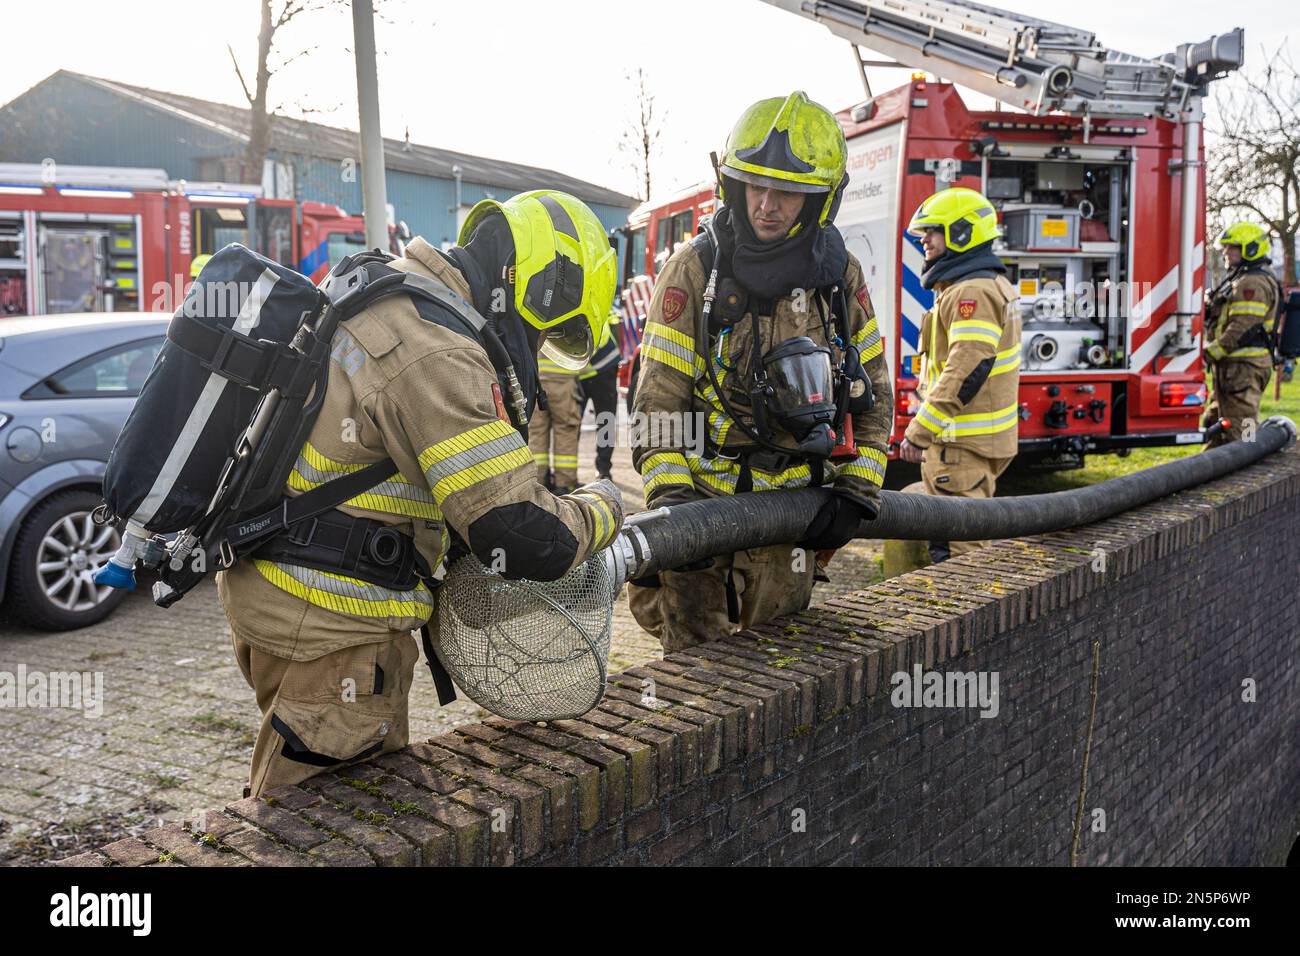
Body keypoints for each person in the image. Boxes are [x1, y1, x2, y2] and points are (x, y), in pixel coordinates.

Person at [216, 189, 623, 796]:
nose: (537, 352)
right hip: (336, 629)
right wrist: (606, 509)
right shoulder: (438, 347)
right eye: (546, 333)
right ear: (541, 287)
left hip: (285, 592)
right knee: (319, 830)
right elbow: (517, 529)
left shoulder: (394, 289)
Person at [628, 91, 893, 652]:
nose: (767, 205)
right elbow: (658, 403)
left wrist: (856, 490)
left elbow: (875, 396)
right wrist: (674, 508)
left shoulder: (837, 278)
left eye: (788, 192)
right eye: (756, 186)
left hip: (789, 521)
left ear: (819, 200)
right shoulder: (693, 270)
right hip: (702, 512)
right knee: (699, 685)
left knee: (780, 668)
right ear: (734, 185)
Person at [897, 187, 1021, 563]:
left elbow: (965, 369)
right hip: (963, 447)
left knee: (959, 557)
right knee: (913, 515)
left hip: (960, 449)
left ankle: (957, 618)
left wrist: (919, 431)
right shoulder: (974, 286)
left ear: (962, 234)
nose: (923, 239)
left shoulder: (973, 293)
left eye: (932, 232)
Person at [1202, 221, 1281, 447]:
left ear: (1251, 248)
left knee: (1243, 428)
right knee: (1216, 423)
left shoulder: (1253, 283)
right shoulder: (1240, 278)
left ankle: (1248, 470)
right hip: (1232, 366)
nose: (1226, 252)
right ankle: (1209, 474)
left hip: (1244, 367)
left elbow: (1242, 327)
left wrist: (1211, 353)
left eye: (1233, 247)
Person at [530, 354, 584, 494]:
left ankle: (538, 480)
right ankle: (564, 484)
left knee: (536, 433)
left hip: (537, 380)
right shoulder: (566, 330)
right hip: (563, 381)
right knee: (565, 430)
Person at [578, 315, 622, 480]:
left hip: (601, 365)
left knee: (605, 421)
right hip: (592, 367)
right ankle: (602, 470)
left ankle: (603, 469)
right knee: (571, 424)